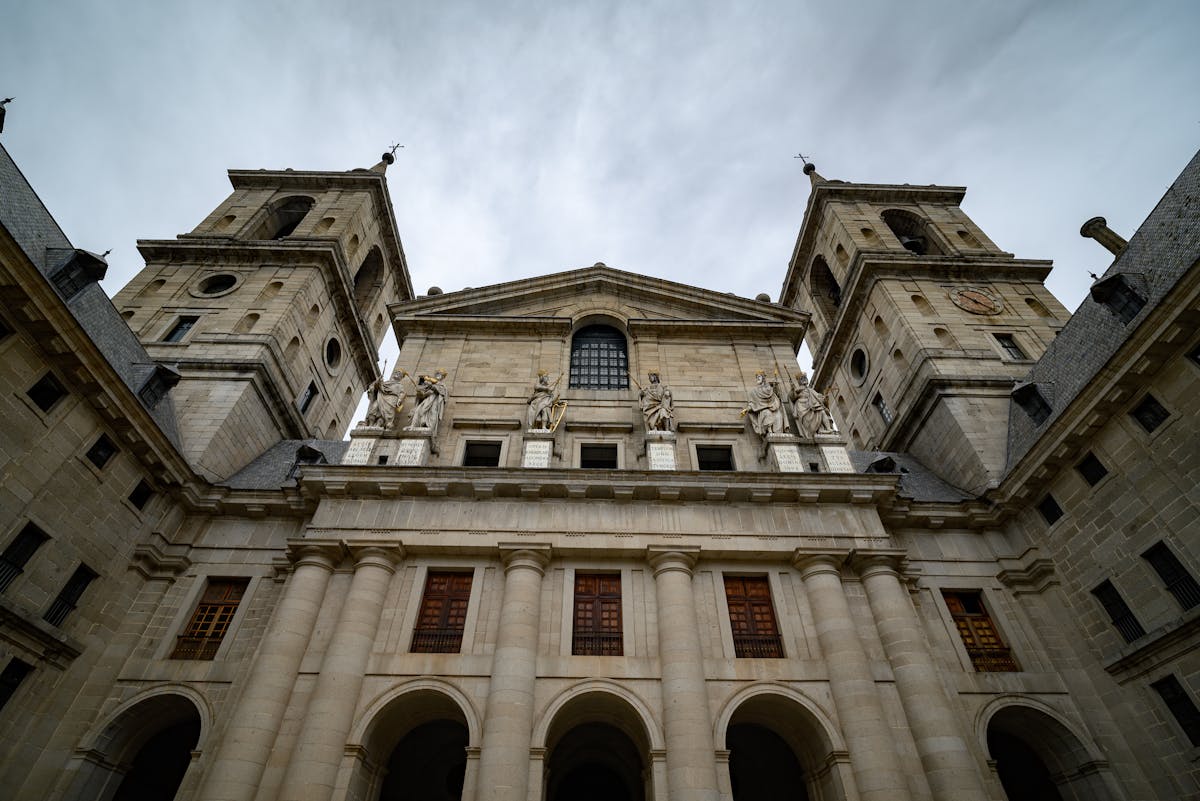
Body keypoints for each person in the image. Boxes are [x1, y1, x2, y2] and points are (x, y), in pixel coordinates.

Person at [790, 371, 836, 440]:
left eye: (805, 378)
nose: (804, 379)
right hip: (802, 407)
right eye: (802, 378)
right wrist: (793, 389)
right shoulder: (797, 389)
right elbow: (792, 397)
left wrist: (825, 398)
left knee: (822, 412)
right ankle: (815, 431)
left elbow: (819, 398)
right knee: (808, 419)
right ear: (799, 381)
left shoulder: (811, 390)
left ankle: (828, 429)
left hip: (813, 405)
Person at [745, 370, 787, 436]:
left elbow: (777, 395)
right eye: (757, 377)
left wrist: (776, 386)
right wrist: (747, 409)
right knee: (766, 413)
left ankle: (779, 435)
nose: (758, 378)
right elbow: (752, 403)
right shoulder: (754, 391)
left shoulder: (770, 388)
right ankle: (769, 432)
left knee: (778, 416)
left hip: (774, 407)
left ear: (763, 378)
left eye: (759, 376)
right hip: (764, 410)